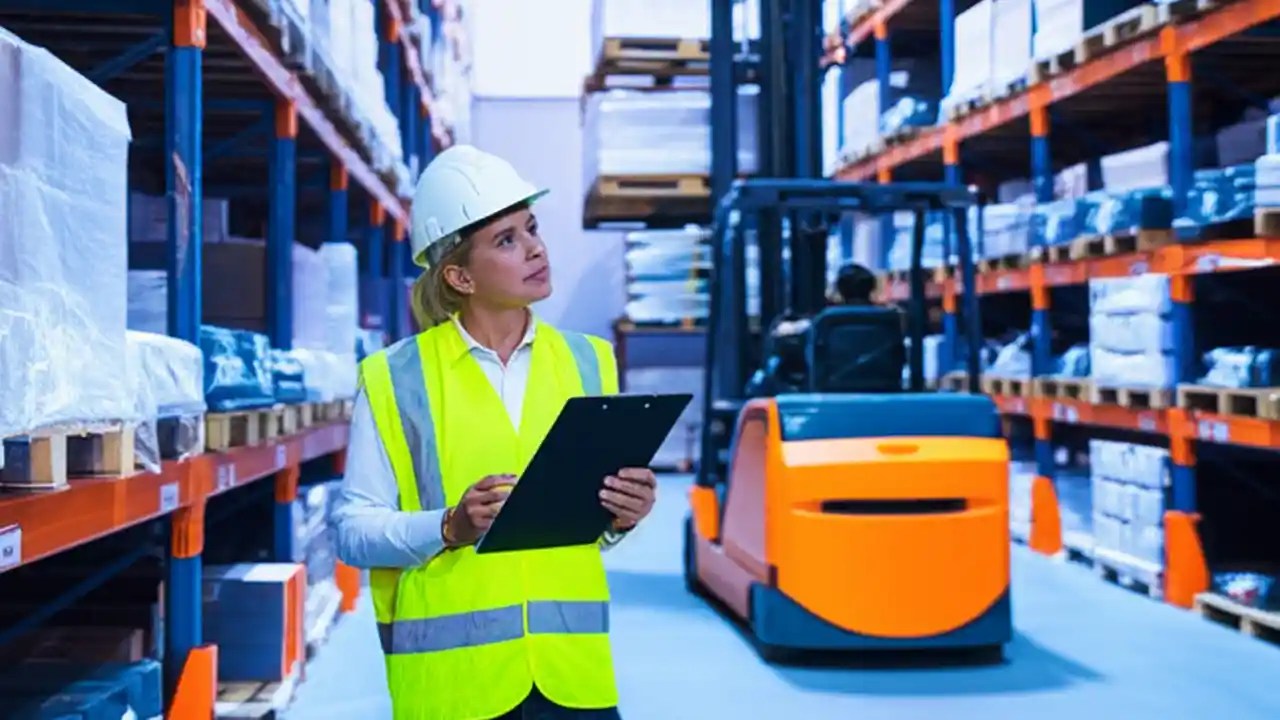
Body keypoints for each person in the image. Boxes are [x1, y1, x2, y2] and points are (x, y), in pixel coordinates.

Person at [331, 145, 658, 720]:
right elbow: (353, 531)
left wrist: (622, 514)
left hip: (572, 679)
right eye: (506, 240)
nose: (536, 248)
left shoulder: (591, 362)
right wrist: (449, 525)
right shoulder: (395, 378)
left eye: (532, 229)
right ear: (459, 275)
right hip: (456, 687)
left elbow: (589, 527)